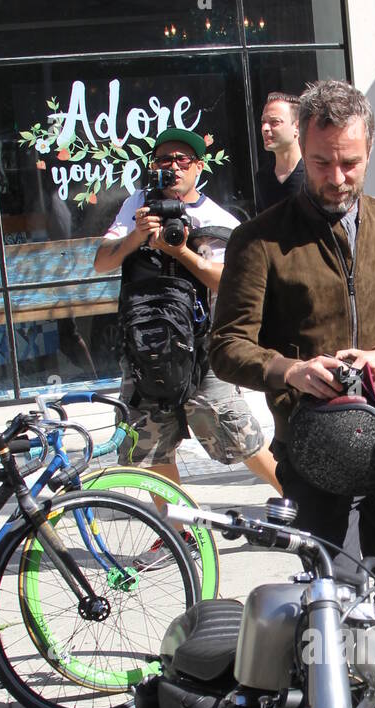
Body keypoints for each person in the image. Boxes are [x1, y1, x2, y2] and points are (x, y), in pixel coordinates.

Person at [210, 80, 375, 579]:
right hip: (309, 449)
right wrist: (292, 371)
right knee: (326, 603)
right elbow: (226, 346)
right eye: (322, 163)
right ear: (302, 143)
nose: (336, 177)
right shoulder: (258, 240)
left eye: (350, 163)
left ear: (370, 151)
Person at [93, 126, 279, 491]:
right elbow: (101, 262)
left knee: (240, 437)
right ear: (153, 166)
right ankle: (178, 532)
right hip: (144, 349)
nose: (173, 167)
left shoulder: (220, 220)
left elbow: (230, 284)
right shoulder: (136, 206)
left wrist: (180, 252)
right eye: (164, 159)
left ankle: (302, 511)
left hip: (202, 350)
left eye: (183, 160)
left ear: (198, 167)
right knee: (152, 451)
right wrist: (135, 235)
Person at [256, 92, 304, 211]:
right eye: (263, 122)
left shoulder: (313, 174)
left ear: (297, 127)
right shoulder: (262, 177)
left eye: (275, 122)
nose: (265, 128)